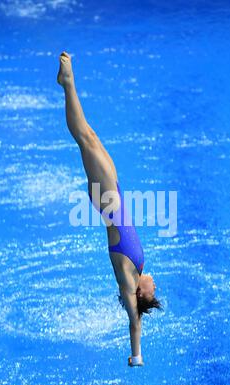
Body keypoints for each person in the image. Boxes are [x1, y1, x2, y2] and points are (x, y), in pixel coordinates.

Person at [57, 52, 162, 367]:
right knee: (90, 136)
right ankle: (68, 84)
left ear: (141, 294)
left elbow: (135, 322)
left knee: (85, 139)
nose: (155, 286)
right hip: (113, 193)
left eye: (152, 291)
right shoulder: (137, 270)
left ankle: (67, 82)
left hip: (106, 198)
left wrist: (137, 354)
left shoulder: (130, 284)